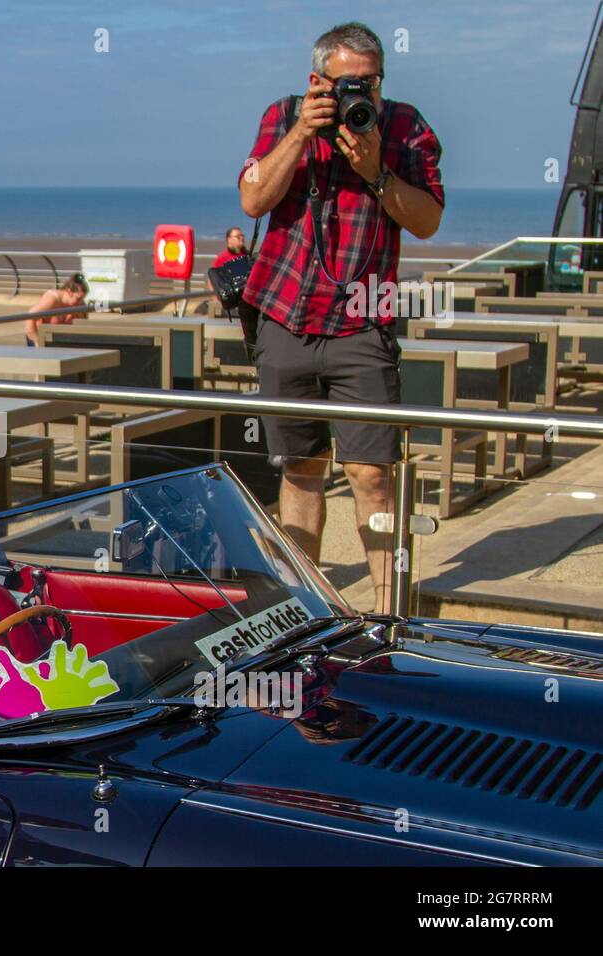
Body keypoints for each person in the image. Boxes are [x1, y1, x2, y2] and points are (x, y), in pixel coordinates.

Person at [237, 21, 444, 613]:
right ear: (316, 81)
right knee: (300, 469)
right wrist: (302, 131)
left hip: (362, 324)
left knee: (373, 475)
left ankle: (389, 615)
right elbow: (252, 198)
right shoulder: (284, 116)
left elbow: (427, 219)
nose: (361, 97)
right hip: (285, 316)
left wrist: (377, 170)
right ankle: (304, 610)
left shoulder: (404, 127)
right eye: (347, 84)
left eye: (371, 84)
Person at [24, 273, 88, 347]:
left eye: (82, 298)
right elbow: (29, 317)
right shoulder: (52, 299)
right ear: (69, 292)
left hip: (57, 339)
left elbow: (83, 324)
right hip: (38, 337)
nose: (81, 302)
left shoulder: (79, 304)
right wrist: (37, 342)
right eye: (78, 299)